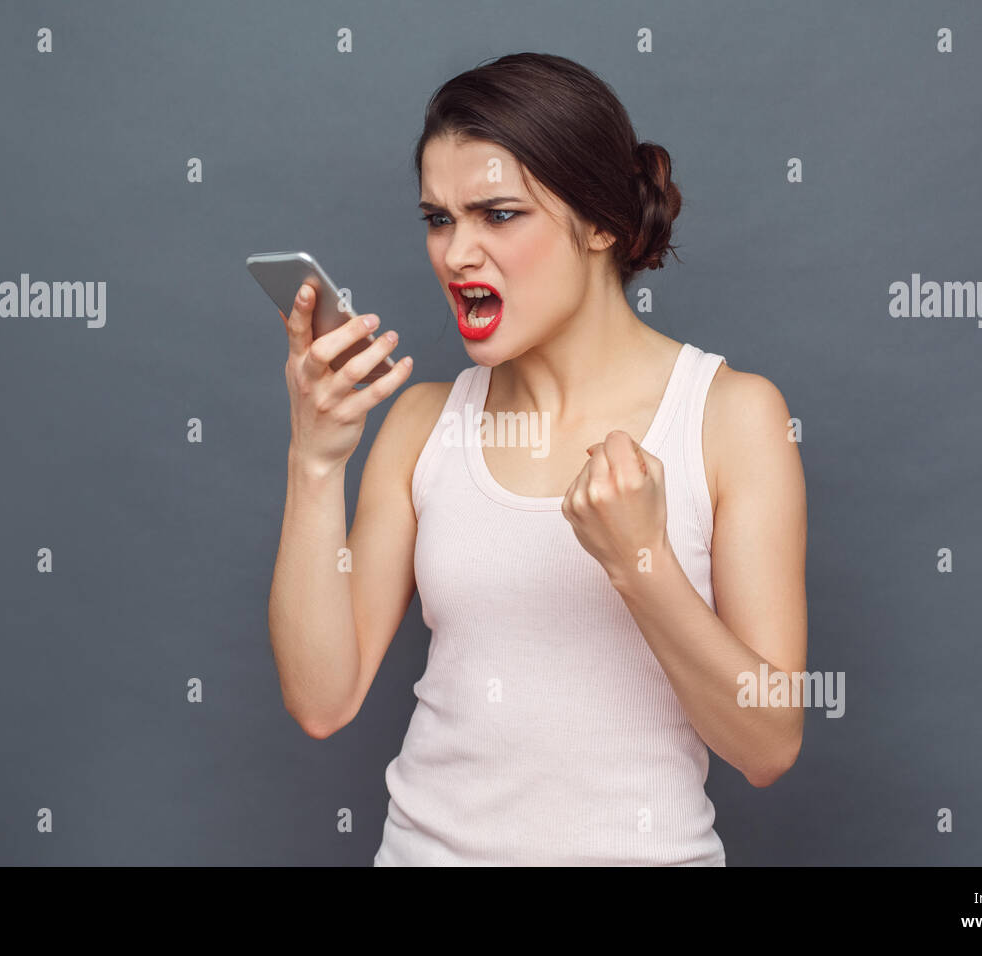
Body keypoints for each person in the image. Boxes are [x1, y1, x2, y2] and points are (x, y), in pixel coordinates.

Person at [269, 52, 807, 865]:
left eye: (498, 214)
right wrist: (315, 461)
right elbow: (322, 699)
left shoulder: (730, 417)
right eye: (439, 219)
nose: (456, 255)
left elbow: (768, 746)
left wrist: (640, 562)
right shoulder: (422, 423)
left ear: (600, 224)